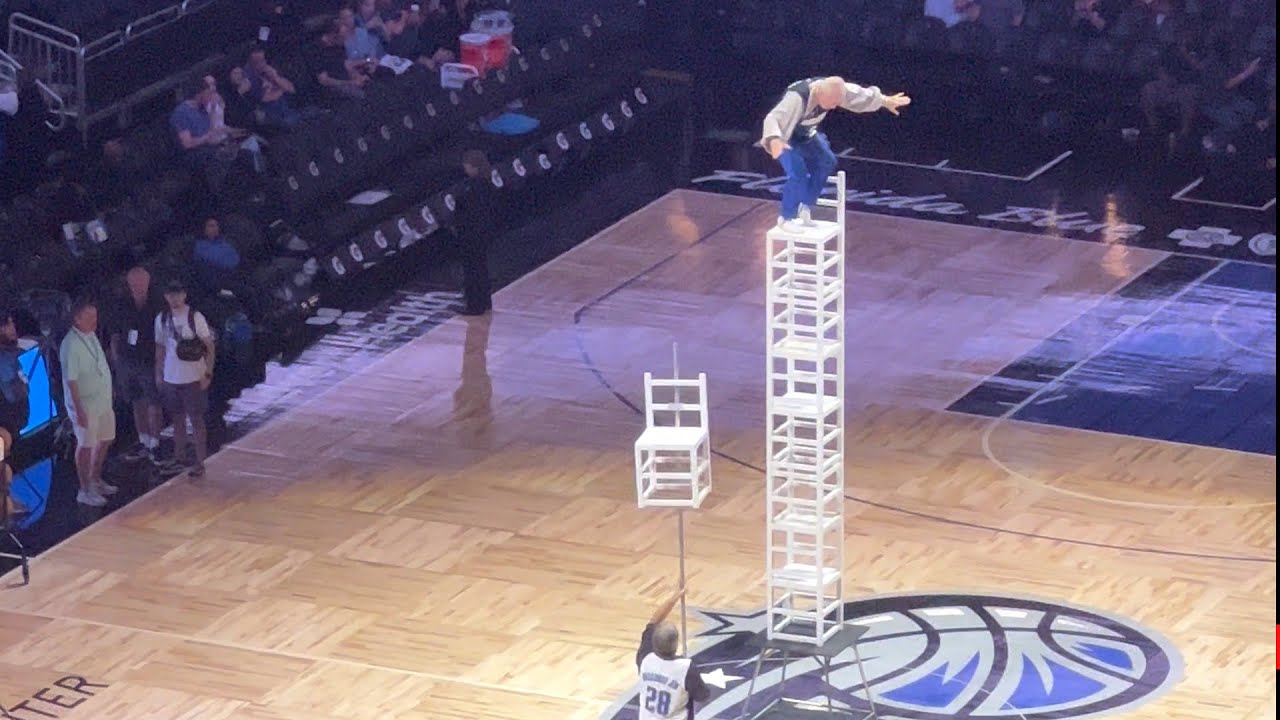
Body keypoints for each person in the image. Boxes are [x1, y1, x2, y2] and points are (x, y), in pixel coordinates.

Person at [760, 77, 910, 229]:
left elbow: (860, 94)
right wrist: (774, 139)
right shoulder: (797, 97)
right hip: (785, 138)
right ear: (819, 92)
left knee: (827, 161)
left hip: (806, 133)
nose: (833, 107)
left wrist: (885, 101)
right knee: (798, 174)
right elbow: (774, 117)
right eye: (831, 102)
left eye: (836, 103)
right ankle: (786, 218)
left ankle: (805, 205)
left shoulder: (837, 89)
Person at [59, 298, 117, 506]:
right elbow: (70, 381)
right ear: (77, 319)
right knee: (85, 445)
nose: (95, 320)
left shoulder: (91, 335)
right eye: (89, 317)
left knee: (106, 439)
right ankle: (84, 489)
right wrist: (78, 410)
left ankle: (95, 478)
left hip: (102, 400)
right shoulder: (70, 345)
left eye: (95, 316)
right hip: (85, 405)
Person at [155, 279, 216, 478]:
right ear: (166, 296)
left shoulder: (195, 317)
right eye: (171, 294)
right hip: (172, 378)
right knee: (177, 419)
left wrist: (208, 372)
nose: (175, 298)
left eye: (178, 294)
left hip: (193, 377)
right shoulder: (161, 319)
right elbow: (161, 347)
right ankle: (179, 458)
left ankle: (200, 461)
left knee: (196, 420)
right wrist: (159, 372)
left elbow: (209, 346)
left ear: (184, 295)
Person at [108, 266, 164, 463]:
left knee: (154, 403)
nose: (138, 286)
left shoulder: (158, 304)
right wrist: (117, 361)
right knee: (136, 401)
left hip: (149, 361)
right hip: (127, 361)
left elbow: (162, 338)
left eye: (142, 282)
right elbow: (114, 333)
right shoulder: (121, 304)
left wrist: (160, 365)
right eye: (134, 283)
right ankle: (144, 440)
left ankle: (156, 444)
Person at [636, 587, 709, 719]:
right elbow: (702, 695)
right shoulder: (685, 667)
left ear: (654, 641)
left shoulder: (645, 658)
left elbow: (652, 623)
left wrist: (674, 598)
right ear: (676, 644)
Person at [452, 149, 497, 315]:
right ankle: (485, 302)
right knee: (481, 268)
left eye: (467, 166)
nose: (465, 169)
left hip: (472, 235)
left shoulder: (474, 187)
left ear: (474, 167)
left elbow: (467, 211)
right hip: (482, 233)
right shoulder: (487, 184)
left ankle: (475, 306)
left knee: (472, 270)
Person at [0, 309, 29, 519]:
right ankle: (4, 505)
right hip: (4, 422)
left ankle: (6, 501)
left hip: (13, 421)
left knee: (6, 463)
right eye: (9, 324)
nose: (13, 328)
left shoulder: (9, 351)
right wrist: (22, 385)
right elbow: (12, 393)